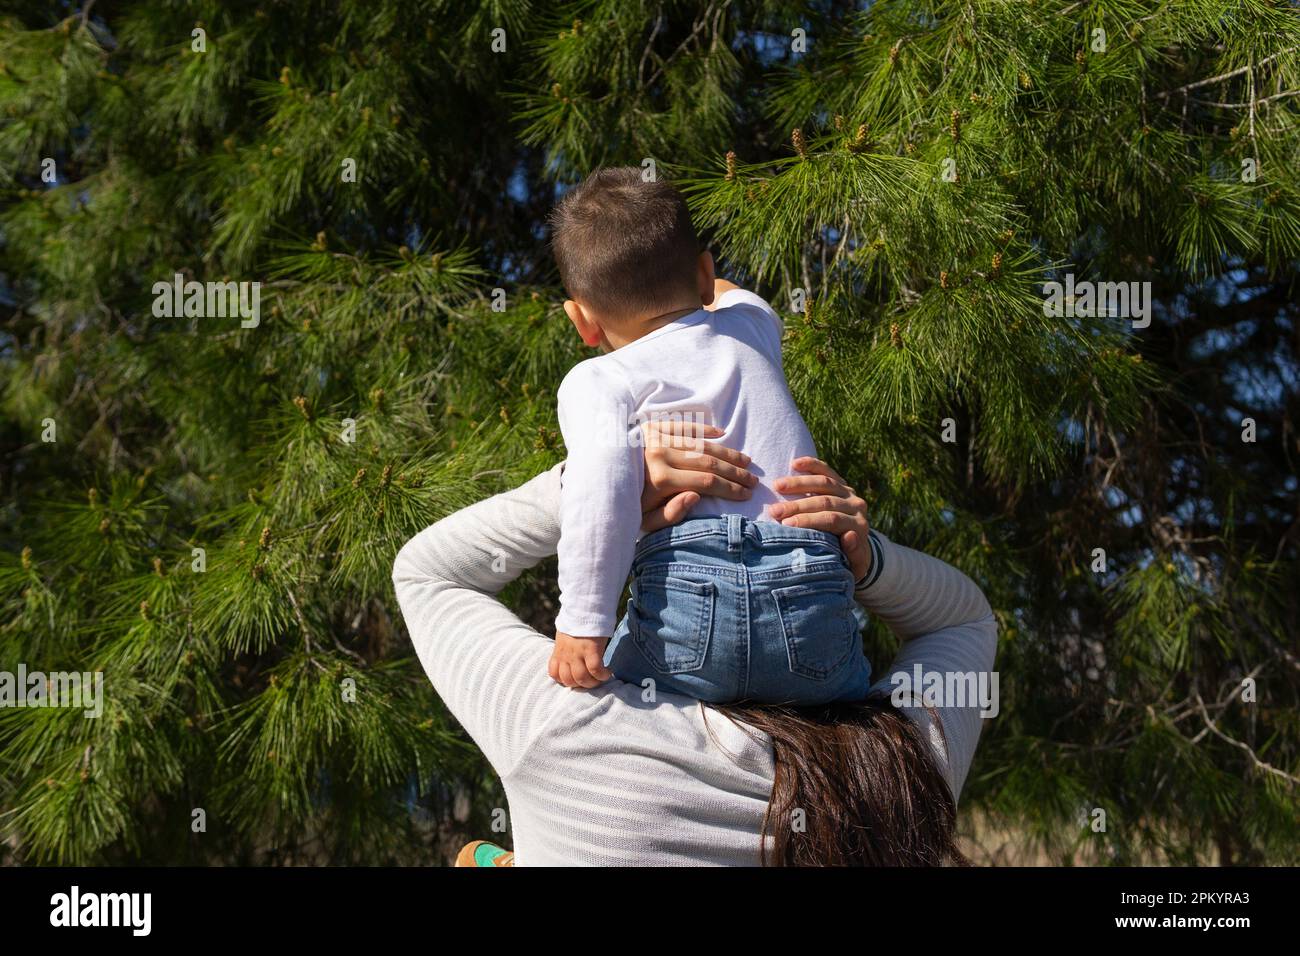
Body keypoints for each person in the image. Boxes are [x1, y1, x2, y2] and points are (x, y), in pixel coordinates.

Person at [392, 422, 998, 865]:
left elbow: (427, 573)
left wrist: (600, 490)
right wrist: (866, 559)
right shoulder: (901, 769)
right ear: (825, 595)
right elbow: (963, 621)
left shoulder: (568, 729)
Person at [548, 166, 870, 705]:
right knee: (846, 701)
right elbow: (731, 295)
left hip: (691, 588)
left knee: (610, 692)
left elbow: (598, 489)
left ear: (582, 321)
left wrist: (583, 622)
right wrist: (698, 279)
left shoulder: (597, 379)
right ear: (703, 275)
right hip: (807, 572)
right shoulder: (751, 328)